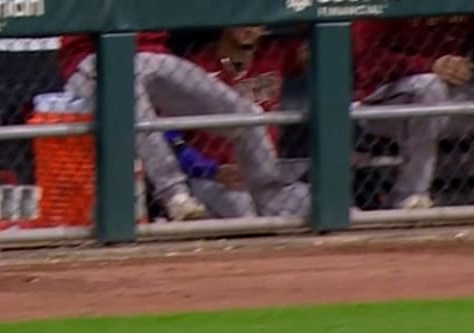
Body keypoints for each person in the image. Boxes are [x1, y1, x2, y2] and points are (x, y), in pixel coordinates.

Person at [58, 31, 304, 221]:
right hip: (92, 57)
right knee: (129, 93)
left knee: (245, 113)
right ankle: (175, 195)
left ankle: (271, 198)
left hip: (151, 54)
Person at [353, 15, 474, 208]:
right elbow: (368, 60)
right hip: (386, 103)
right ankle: (410, 194)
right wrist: (430, 66)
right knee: (429, 85)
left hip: (458, 92)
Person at [169, 26, 311, 219]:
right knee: (244, 210)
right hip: (215, 179)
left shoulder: (276, 53)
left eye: (256, 22)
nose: (249, 28)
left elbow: (315, 50)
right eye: (243, 21)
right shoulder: (194, 66)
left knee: (319, 202)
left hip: (266, 180)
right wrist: (212, 170)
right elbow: (169, 137)